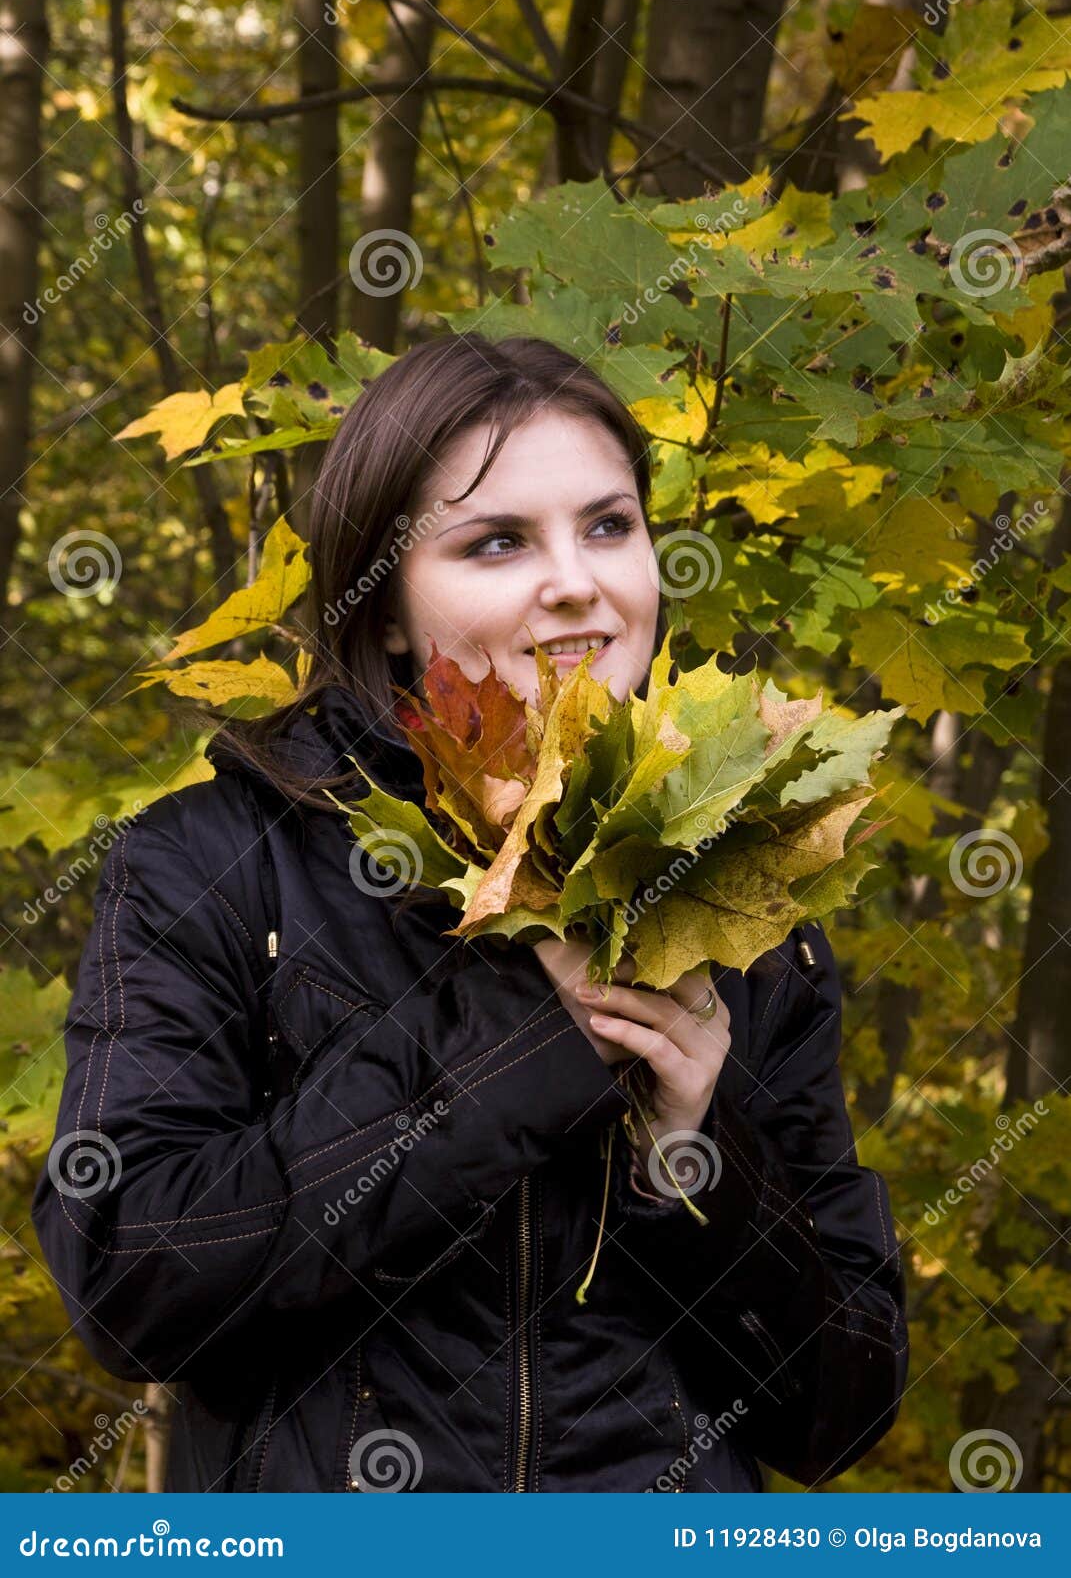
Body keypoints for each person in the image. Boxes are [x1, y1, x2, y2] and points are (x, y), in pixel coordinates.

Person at [31, 335, 907, 1493]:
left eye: (609, 525)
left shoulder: (743, 904)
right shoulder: (214, 867)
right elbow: (129, 1277)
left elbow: (838, 1408)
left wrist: (693, 1158)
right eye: (498, 541)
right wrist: (507, 1050)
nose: (576, 581)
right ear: (385, 608)